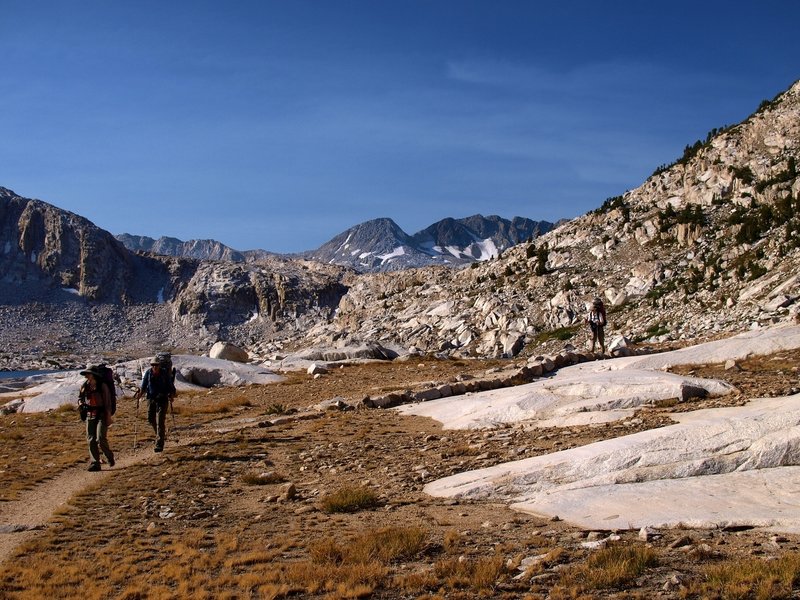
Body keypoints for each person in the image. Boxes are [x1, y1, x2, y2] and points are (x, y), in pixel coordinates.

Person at [79, 366, 115, 471]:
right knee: (90, 439)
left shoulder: (102, 386)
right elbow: (80, 398)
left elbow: (108, 403)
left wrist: (108, 417)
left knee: (100, 438)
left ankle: (109, 456)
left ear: (93, 375)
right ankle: (95, 463)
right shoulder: (84, 386)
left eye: (88, 374)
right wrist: (81, 404)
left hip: (101, 415)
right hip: (90, 415)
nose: (86, 376)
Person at [140, 356, 176, 452]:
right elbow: (143, 385)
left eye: (156, 365)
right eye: (153, 365)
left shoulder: (164, 373)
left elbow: (170, 385)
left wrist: (171, 395)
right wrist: (140, 393)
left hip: (162, 399)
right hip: (151, 399)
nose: (154, 367)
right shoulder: (148, 373)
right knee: (150, 419)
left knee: (160, 420)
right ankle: (160, 435)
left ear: (159, 365)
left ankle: (159, 444)